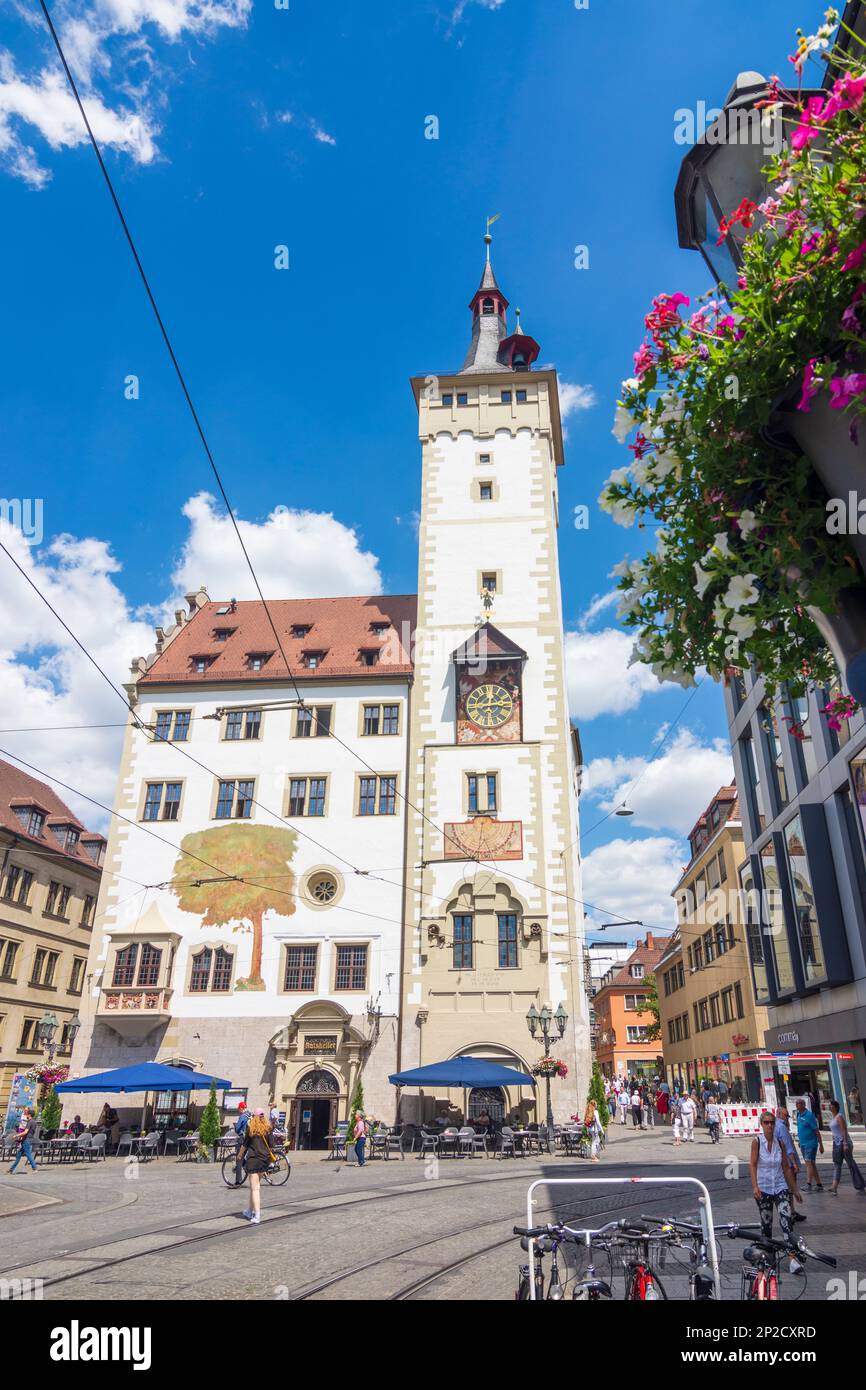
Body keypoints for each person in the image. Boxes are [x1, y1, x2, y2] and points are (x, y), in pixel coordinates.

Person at [750, 1112, 804, 1269]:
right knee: (766, 1225)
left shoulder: (780, 1143)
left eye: (772, 1122)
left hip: (780, 1186)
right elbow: (752, 1165)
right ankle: (768, 1258)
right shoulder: (756, 1142)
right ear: (761, 1124)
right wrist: (755, 1186)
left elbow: (786, 1168)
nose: (769, 1125)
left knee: (786, 1221)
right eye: (766, 1122)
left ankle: (793, 1259)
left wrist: (794, 1189)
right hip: (764, 1188)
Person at [237, 1109, 274, 1225]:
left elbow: (245, 1144)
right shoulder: (268, 1129)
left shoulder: (251, 1129)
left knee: (255, 1189)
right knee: (254, 1187)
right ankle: (249, 1211)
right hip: (264, 1161)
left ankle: (257, 1215)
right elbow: (272, 1145)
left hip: (253, 1160)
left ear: (254, 1117)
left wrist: (239, 1155)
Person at [828, 1099, 866, 1195]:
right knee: (837, 1165)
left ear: (835, 1107)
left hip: (844, 1143)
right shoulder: (833, 1118)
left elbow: (844, 1130)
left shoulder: (839, 1116)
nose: (830, 1107)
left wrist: (845, 1143)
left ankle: (860, 1184)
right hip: (836, 1144)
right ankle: (834, 1187)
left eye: (831, 1105)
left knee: (851, 1164)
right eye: (829, 1105)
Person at [774, 1108, 806, 1221]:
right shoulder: (781, 1127)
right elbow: (788, 1147)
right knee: (790, 1188)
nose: (786, 1118)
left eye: (787, 1116)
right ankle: (789, 1213)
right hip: (787, 1163)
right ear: (779, 1114)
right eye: (785, 1115)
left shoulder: (775, 1126)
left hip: (779, 1162)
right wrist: (794, 1163)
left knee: (786, 1188)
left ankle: (791, 1212)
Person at [794, 1098, 824, 1192]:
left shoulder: (809, 1116)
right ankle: (819, 1184)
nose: (797, 1105)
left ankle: (809, 1184)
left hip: (811, 1144)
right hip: (803, 1143)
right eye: (796, 1104)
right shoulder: (798, 1115)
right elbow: (801, 1129)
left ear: (803, 1105)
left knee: (808, 1163)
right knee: (812, 1164)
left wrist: (821, 1145)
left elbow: (816, 1131)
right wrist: (799, 1141)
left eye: (798, 1104)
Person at [9, 1107, 38, 1173]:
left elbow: (25, 1132)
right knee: (18, 1155)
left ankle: (34, 1168)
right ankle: (11, 1169)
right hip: (28, 1139)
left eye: (27, 1114)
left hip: (26, 1140)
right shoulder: (34, 1122)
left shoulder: (30, 1122)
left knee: (28, 1154)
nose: (26, 1115)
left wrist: (17, 1135)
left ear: (29, 1115)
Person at [233, 1101, 252, 1185]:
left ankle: (238, 1181)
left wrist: (236, 1127)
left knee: (239, 1158)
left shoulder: (242, 1117)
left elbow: (237, 1129)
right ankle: (248, 1170)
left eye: (239, 1108)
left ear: (241, 1108)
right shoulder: (250, 1115)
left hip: (242, 1139)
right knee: (244, 1157)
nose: (238, 1110)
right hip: (249, 1139)